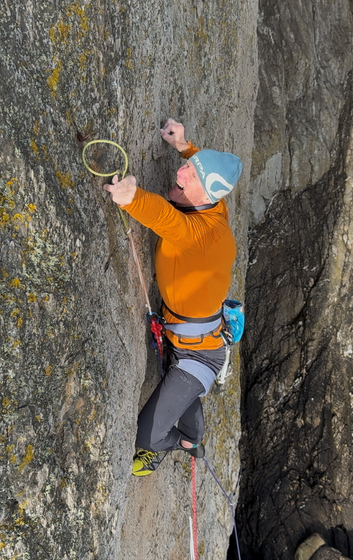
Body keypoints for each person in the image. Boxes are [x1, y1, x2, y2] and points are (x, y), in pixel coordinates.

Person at [103, 118, 242, 477]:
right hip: (189, 339)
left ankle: (182, 444)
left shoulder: (199, 235)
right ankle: (189, 430)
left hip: (199, 355)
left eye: (190, 176)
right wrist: (184, 146)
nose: (180, 174)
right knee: (179, 388)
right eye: (187, 168)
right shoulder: (215, 206)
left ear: (205, 194)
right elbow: (204, 175)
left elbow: (163, 217)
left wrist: (131, 198)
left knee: (145, 435)